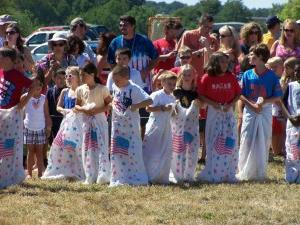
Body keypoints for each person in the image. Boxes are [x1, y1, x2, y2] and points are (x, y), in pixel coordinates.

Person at [237, 44, 282, 181]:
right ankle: (244, 169)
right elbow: (241, 94)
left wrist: (264, 102)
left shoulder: (272, 77)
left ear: (261, 57)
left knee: (263, 139)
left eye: (253, 55)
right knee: (247, 139)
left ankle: (259, 170)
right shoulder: (247, 74)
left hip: (265, 110)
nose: (249, 57)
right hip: (250, 110)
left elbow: (278, 96)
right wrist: (251, 105)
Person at [197, 52, 241, 183]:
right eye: (222, 62)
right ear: (215, 62)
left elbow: (238, 94)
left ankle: (228, 171)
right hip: (214, 112)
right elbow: (201, 95)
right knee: (214, 141)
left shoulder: (231, 77)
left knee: (230, 141)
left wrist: (231, 104)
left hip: (228, 112)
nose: (225, 64)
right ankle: (214, 170)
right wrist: (214, 104)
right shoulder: (207, 77)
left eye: (226, 62)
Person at [110, 65, 152, 186]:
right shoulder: (115, 87)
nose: (116, 83)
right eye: (114, 80)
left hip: (131, 128)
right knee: (118, 151)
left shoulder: (134, 88)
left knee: (132, 150)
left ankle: (135, 175)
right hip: (117, 127)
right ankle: (119, 175)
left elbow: (149, 100)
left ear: (126, 77)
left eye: (118, 80)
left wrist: (136, 106)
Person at [0, 47, 36, 188]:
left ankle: (9, 174)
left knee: (8, 145)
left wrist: (23, 103)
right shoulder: (1, 72)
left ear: (8, 59)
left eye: (1, 57)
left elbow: (33, 86)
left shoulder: (17, 75)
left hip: (12, 116)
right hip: (1, 113)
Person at [42, 66, 84, 181]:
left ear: (78, 77)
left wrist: (76, 110)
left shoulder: (82, 90)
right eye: (66, 76)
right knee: (61, 145)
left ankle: (80, 170)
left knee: (78, 146)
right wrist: (64, 110)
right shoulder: (65, 91)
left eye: (70, 75)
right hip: (66, 122)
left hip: (79, 123)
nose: (67, 78)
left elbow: (82, 105)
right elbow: (58, 106)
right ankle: (64, 168)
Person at [75, 62, 111, 184]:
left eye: (84, 75)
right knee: (88, 147)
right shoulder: (80, 90)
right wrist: (84, 109)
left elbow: (109, 105)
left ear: (92, 74)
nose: (82, 78)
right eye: (80, 75)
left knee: (101, 146)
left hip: (99, 121)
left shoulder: (102, 89)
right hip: (87, 121)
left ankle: (103, 173)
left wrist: (96, 110)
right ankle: (90, 173)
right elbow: (77, 106)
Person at [108, 15, 158, 94]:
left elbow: (156, 58)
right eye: (120, 25)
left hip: (142, 82)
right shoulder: (115, 42)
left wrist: (145, 71)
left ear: (133, 26)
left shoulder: (144, 41)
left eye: (125, 25)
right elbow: (111, 62)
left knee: (142, 105)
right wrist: (118, 74)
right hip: (122, 84)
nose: (122, 27)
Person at [143, 71, 177, 184]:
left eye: (173, 84)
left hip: (166, 127)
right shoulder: (157, 95)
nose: (172, 86)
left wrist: (175, 112)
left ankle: (161, 175)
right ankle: (149, 174)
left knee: (164, 150)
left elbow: (172, 113)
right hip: (155, 125)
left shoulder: (173, 97)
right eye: (169, 84)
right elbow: (148, 108)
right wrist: (162, 108)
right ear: (163, 83)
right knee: (152, 150)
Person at [169, 65, 200, 183]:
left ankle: (189, 174)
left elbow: (202, 106)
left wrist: (199, 104)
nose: (187, 77)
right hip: (178, 127)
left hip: (192, 127)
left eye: (189, 75)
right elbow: (172, 106)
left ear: (193, 76)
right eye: (184, 74)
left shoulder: (195, 92)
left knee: (191, 150)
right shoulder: (176, 92)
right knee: (178, 150)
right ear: (180, 76)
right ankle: (178, 173)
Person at [20, 74, 51, 178]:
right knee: (30, 151)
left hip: (41, 128)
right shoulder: (25, 97)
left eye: (40, 84)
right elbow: (20, 110)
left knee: (39, 151)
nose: (38, 86)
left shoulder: (43, 99)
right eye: (35, 84)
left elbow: (46, 114)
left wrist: (48, 127)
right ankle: (29, 173)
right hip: (28, 127)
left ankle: (39, 173)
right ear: (30, 85)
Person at [176, 14, 219, 81]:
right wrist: (199, 51)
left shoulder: (213, 39)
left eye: (210, 28)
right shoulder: (188, 35)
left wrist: (207, 47)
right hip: (187, 75)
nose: (208, 30)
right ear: (200, 24)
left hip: (204, 76)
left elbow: (216, 60)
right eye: (206, 27)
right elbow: (181, 54)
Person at [281, 61, 300, 183]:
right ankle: (291, 176)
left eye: (299, 71)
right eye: (296, 70)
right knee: (292, 149)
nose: (297, 73)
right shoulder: (291, 85)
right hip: (293, 123)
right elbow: (282, 103)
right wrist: (289, 117)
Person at [266, 57, 285, 157]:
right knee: (275, 131)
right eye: (270, 67)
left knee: (281, 130)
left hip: (282, 109)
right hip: (274, 110)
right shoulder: (272, 79)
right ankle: (275, 150)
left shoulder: (283, 79)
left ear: (282, 67)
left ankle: (279, 148)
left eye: (274, 67)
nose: (272, 69)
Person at [46, 69, 66, 145]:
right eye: (59, 78)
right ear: (54, 79)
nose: (62, 80)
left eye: (64, 78)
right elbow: (46, 107)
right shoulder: (50, 91)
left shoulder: (68, 91)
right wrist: (48, 119)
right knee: (52, 143)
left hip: (64, 120)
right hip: (52, 120)